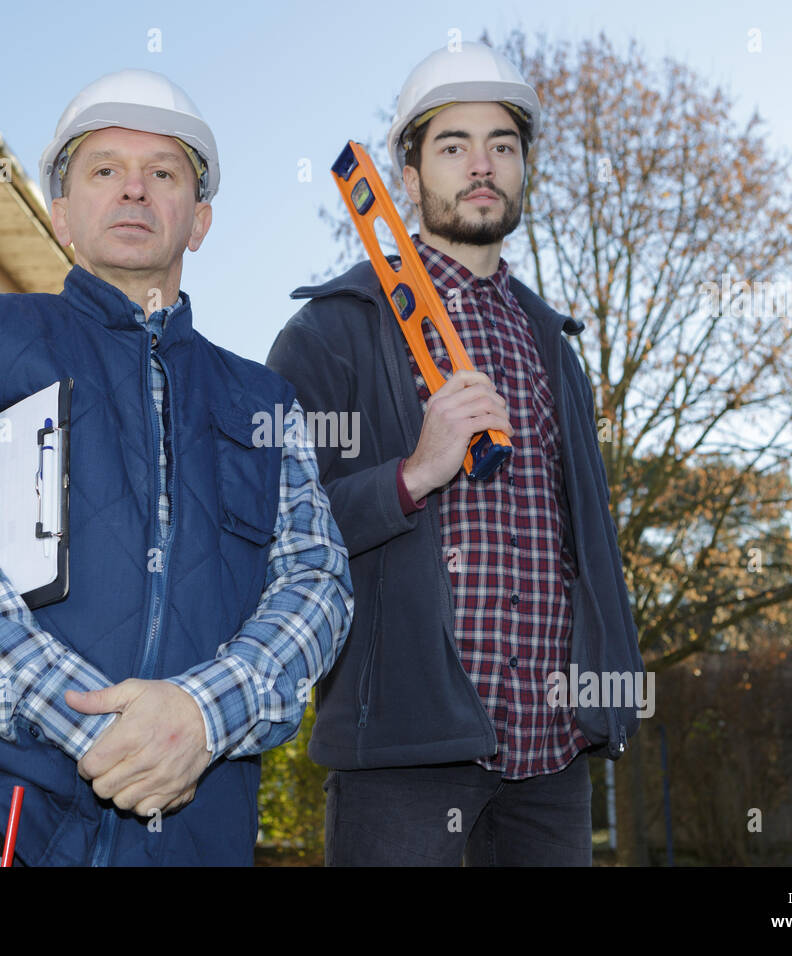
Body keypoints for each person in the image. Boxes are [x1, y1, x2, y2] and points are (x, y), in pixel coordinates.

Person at [0, 69, 353, 866]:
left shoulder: (265, 402)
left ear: (200, 219)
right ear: (62, 212)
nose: (134, 191)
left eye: (163, 174)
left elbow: (316, 583)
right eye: (105, 170)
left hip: (188, 839)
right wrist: (91, 722)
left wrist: (202, 716)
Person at [266, 42, 643, 866]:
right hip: (403, 753)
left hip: (552, 754)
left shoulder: (555, 346)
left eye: (502, 146)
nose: (482, 165)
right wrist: (411, 475)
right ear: (407, 177)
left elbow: (591, 546)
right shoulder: (335, 330)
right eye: (453, 145)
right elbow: (272, 525)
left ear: (522, 171)